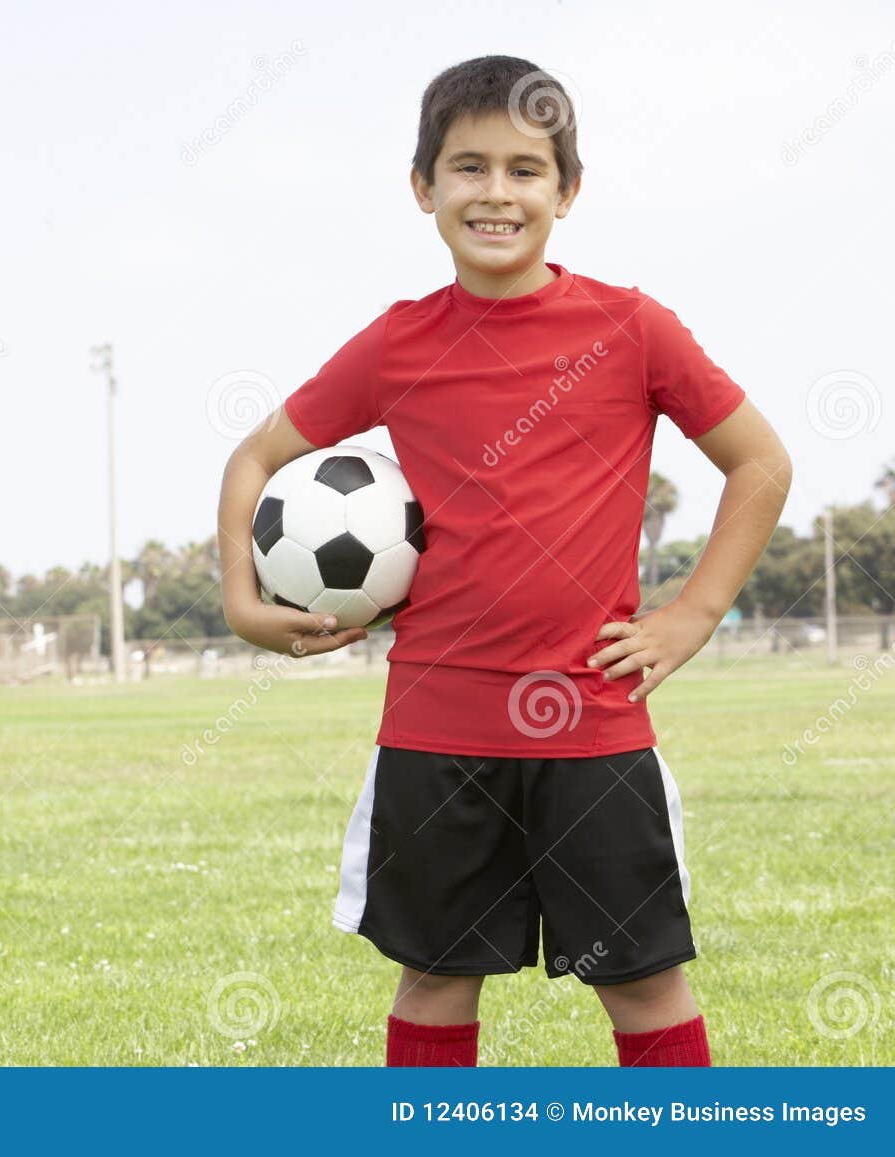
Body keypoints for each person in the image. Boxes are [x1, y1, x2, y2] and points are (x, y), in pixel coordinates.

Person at [215, 55, 792, 1067]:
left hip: (595, 723)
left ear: (566, 192)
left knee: (642, 976)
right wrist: (240, 601)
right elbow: (254, 455)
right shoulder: (397, 344)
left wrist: (692, 613)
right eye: (467, 166)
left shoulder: (629, 326)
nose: (495, 192)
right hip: (437, 725)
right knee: (435, 974)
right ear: (423, 187)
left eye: (524, 170)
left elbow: (759, 462)